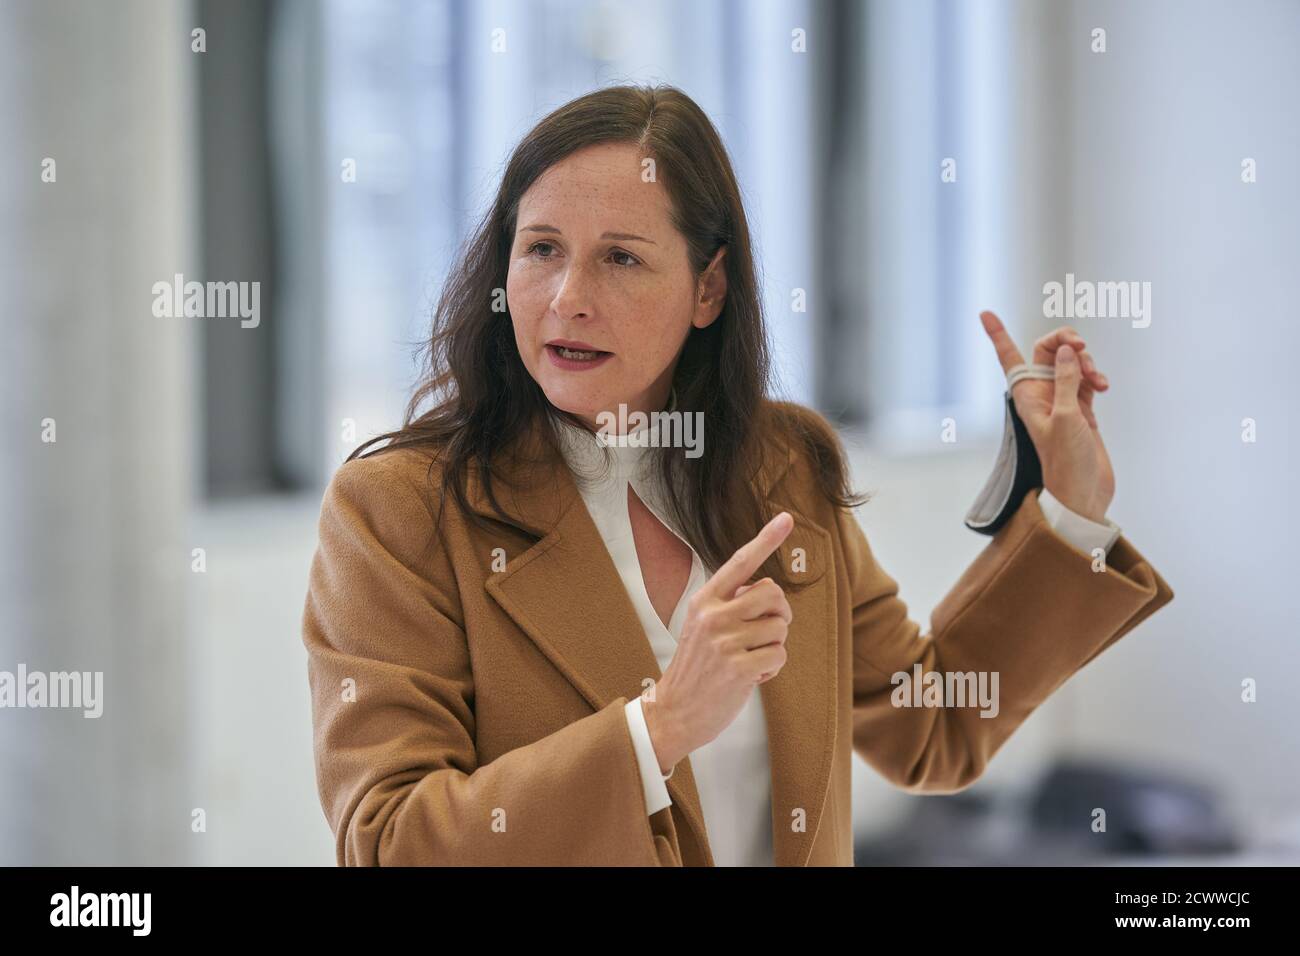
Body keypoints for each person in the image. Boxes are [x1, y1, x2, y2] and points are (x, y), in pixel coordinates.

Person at [301, 83, 1174, 866]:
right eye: (539, 250)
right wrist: (658, 728)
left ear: (709, 289)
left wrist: (1072, 515)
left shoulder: (784, 464)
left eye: (620, 257)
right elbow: (388, 842)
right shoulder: (399, 511)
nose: (567, 295)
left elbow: (929, 725)